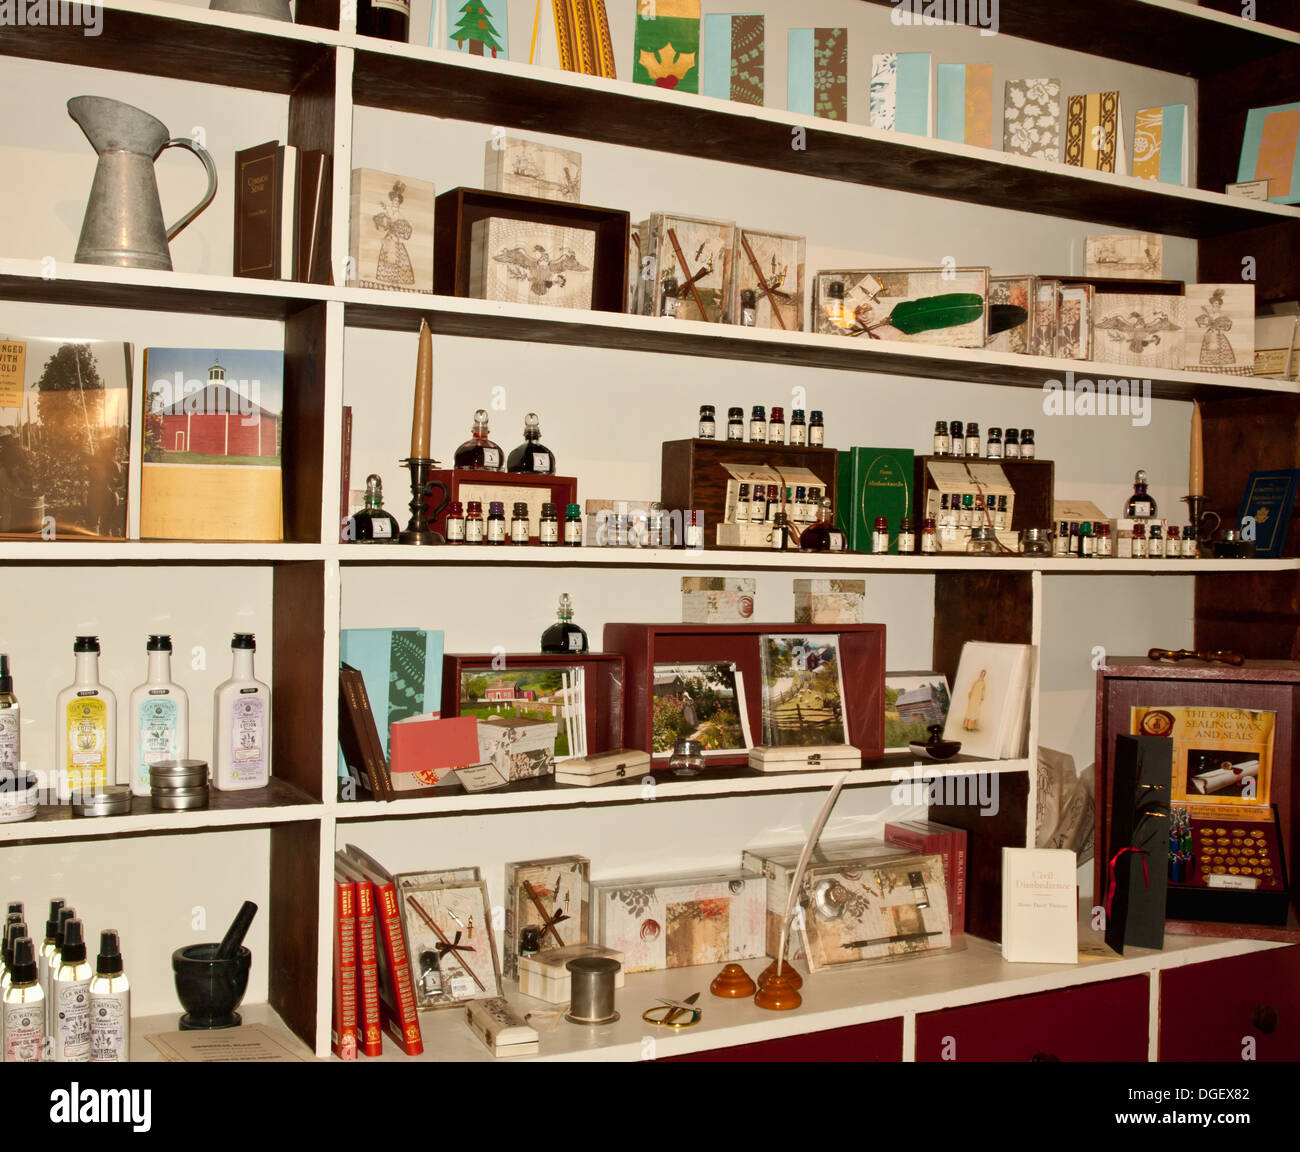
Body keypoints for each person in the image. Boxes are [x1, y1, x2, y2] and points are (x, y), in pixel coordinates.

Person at [372, 180, 415, 288]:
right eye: (394, 200)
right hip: (389, 238)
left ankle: (397, 281)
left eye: (397, 201)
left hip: (396, 239)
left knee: (399, 257)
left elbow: (404, 227)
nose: (395, 202)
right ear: (392, 201)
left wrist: (400, 228)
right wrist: (386, 222)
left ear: (399, 202)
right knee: (388, 256)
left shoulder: (400, 214)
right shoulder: (388, 211)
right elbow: (383, 221)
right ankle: (388, 279)